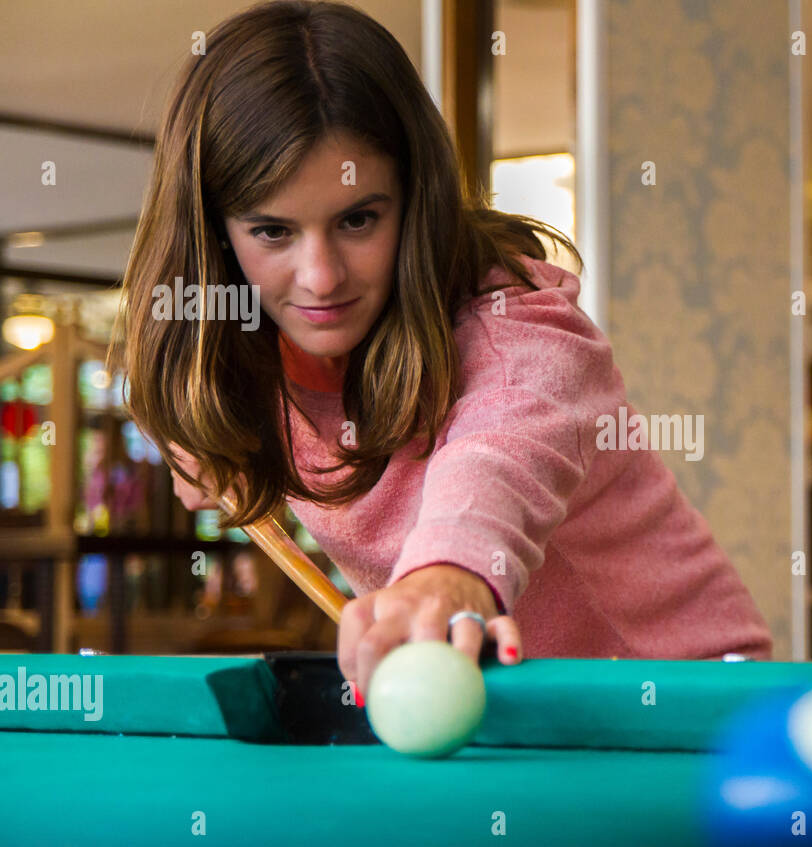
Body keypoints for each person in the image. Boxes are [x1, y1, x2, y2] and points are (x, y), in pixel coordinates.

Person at [110, 0, 772, 700]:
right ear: (216, 236)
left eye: (359, 218)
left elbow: (498, 458)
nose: (322, 277)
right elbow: (187, 400)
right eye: (272, 232)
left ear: (416, 198)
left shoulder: (520, 331)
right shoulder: (243, 351)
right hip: (492, 714)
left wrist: (447, 573)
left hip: (683, 709)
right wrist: (207, 434)